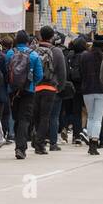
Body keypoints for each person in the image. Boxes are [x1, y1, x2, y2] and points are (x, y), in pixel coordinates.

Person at [5, 30, 43, 161]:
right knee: (25, 119)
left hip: (12, 91)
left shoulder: (10, 53)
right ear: (28, 41)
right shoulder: (33, 55)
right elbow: (39, 75)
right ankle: (21, 147)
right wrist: (30, 84)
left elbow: (6, 71)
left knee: (16, 117)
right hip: (28, 91)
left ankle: (18, 143)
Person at [31, 26, 65, 155]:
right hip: (50, 87)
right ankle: (40, 144)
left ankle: (36, 135)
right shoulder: (56, 51)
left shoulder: (33, 50)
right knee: (46, 117)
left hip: (35, 87)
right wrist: (59, 88)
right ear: (52, 37)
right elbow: (62, 73)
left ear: (40, 36)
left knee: (36, 116)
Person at [79, 35, 103, 155]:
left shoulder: (84, 56)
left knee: (90, 116)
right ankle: (94, 143)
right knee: (98, 118)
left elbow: (80, 72)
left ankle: (90, 141)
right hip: (101, 90)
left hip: (87, 89)